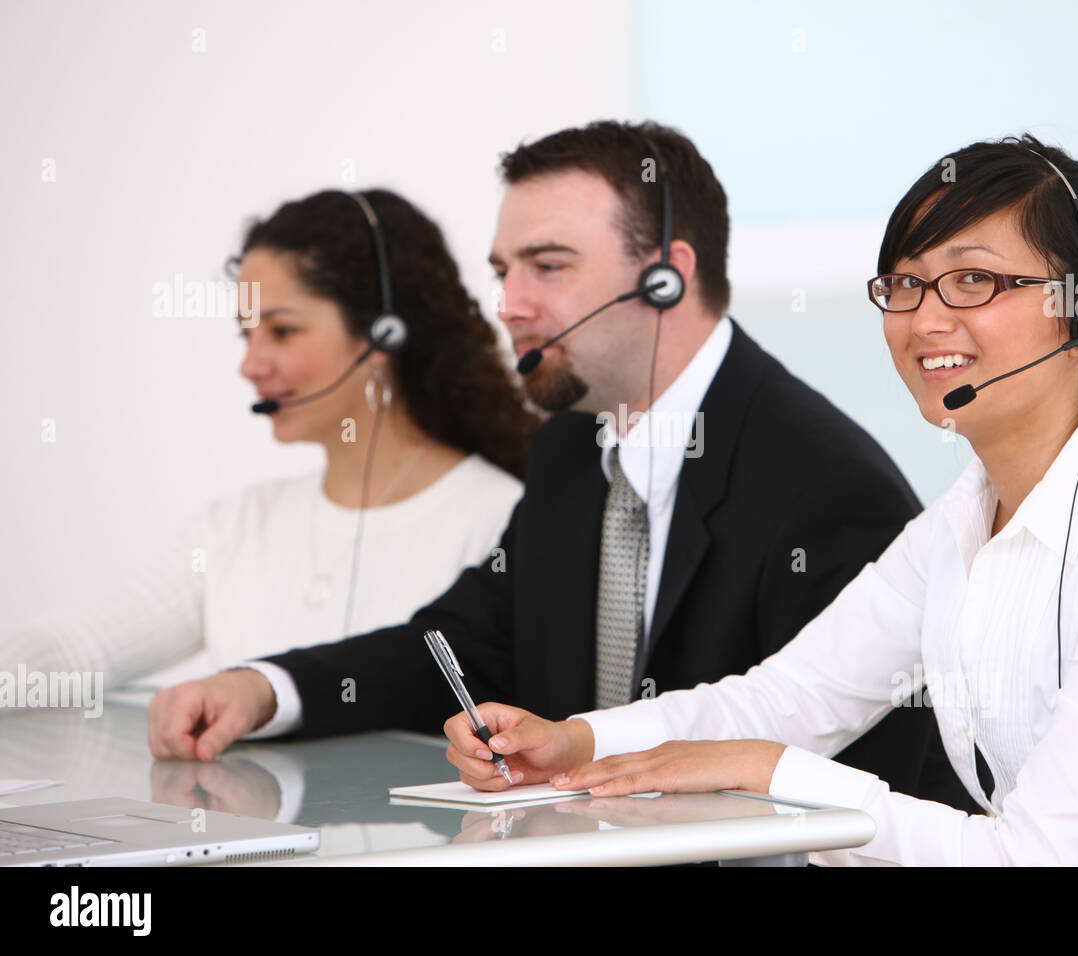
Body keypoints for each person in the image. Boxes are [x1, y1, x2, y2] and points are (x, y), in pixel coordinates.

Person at [443, 134, 1078, 866]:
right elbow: (785, 699)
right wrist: (576, 741)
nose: (926, 319)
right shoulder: (966, 521)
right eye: (905, 284)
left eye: (973, 282)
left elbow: (1033, 857)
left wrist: (770, 771)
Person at [146, 121, 973, 815]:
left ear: (666, 277)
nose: (508, 304)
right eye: (503, 272)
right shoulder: (574, 446)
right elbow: (465, 642)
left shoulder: (822, 484)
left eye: (547, 267)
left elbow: (861, 787)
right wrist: (264, 690)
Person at [6, 189, 536, 696]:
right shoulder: (238, 524)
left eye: (281, 331)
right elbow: (78, 652)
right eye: (246, 334)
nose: (249, 365)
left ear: (383, 335)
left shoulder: (498, 519)